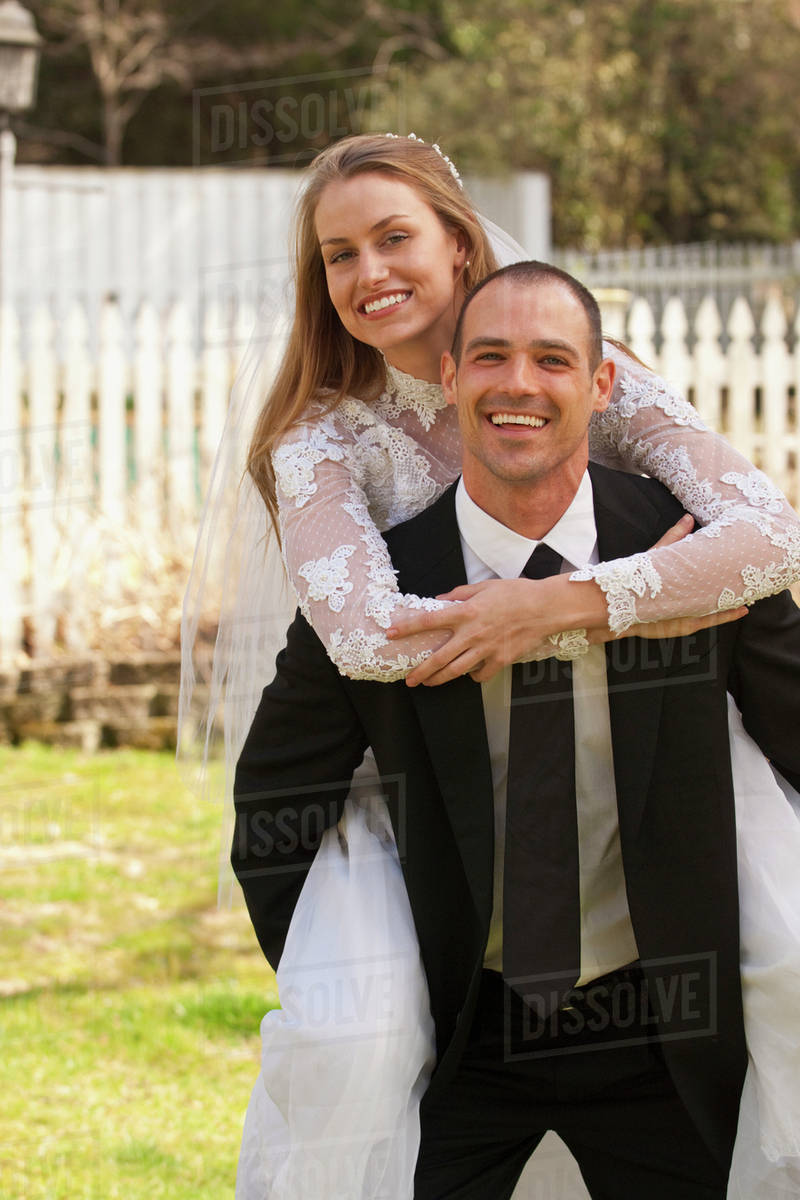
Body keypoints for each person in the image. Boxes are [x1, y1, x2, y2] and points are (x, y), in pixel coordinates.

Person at [232, 261, 800, 1197]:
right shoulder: (384, 583)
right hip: (463, 1033)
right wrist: (356, 984)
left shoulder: (693, 552)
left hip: (661, 1026)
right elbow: (276, 804)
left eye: (552, 359)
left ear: (602, 383)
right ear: (449, 378)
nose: (519, 385)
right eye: (490, 356)